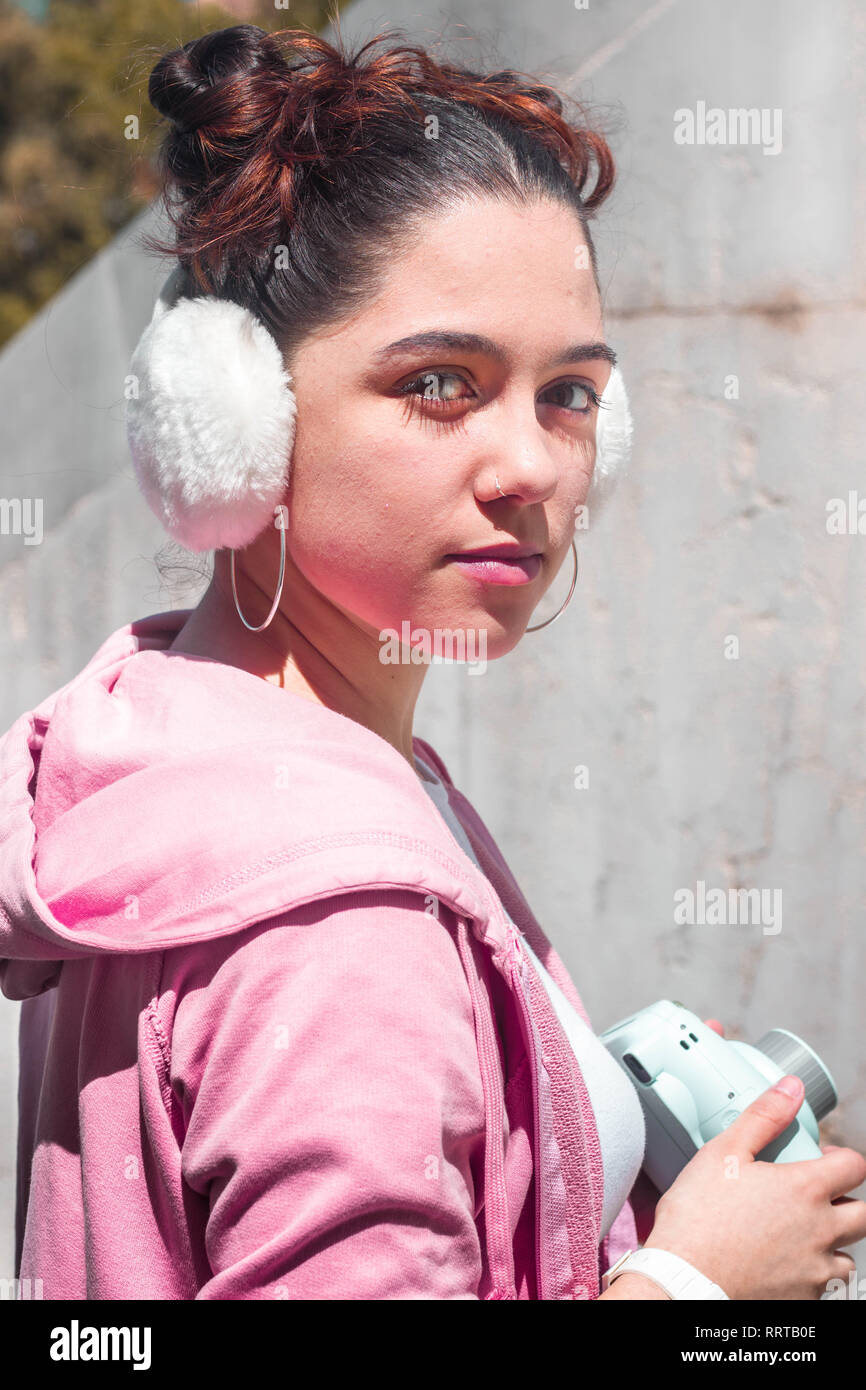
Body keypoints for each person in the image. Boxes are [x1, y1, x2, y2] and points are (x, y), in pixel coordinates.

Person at [1, 21, 864, 1301]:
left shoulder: (164, 745)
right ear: (232, 424)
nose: (531, 467)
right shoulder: (340, 920)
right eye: (441, 384)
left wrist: (565, 1119)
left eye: (567, 393)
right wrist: (697, 1287)